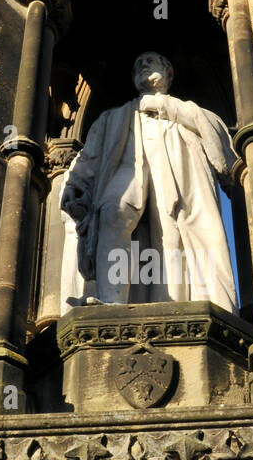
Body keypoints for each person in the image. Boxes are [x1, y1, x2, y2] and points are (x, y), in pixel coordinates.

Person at [60, 51, 238, 311]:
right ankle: (111, 299)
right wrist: (75, 182)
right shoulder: (113, 117)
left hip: (178, 176)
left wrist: (167, 108)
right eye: (137, 65)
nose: (143, 65)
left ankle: (189, 305)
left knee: (172, 237)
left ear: (168, 73)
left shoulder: (188, 110)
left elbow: (219, 139)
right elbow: (91, 155)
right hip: (129, 171)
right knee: (113, 212)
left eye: (150, 61)